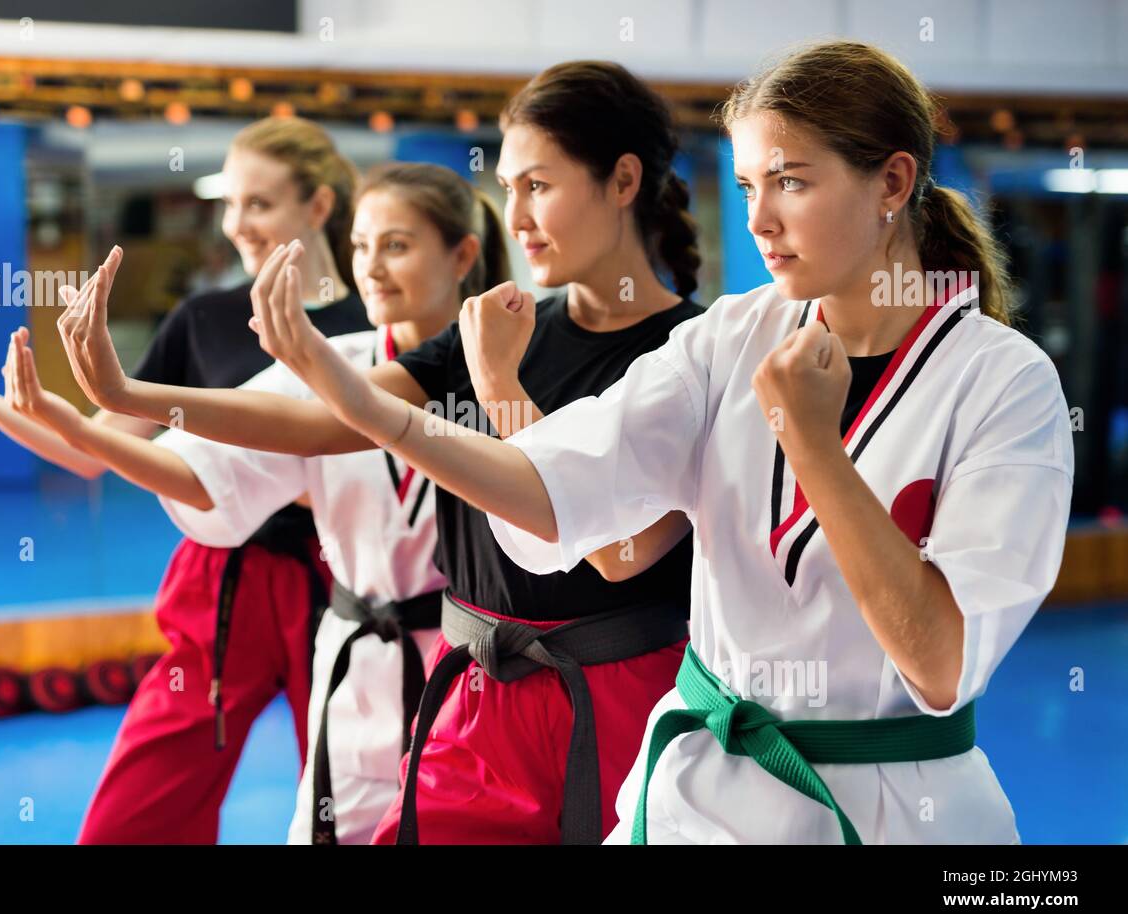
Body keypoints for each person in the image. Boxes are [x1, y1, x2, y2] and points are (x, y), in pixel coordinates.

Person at [262, 41, 1071, 844]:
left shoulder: (1004, 384)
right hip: (699, 797)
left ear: (892, 182)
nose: (758, 218)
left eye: (790, 182)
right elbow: (552, 490)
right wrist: (359, 403)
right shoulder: (729, 338)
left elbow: (939, 661)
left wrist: (815, 449)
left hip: (890, 807)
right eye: (750, 185)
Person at [53, 61, 704, 845]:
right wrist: (136, 400)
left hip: (610, 696)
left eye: (540, 185)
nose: (519, 214)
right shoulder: (497, 323)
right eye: (511, 187)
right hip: (471, 697)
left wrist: (498, 385)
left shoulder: (687, 351)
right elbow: (330, 421)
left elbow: (617, 552)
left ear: (623, 179)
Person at [5, 162, 509, 844]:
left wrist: (124, 398)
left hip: (473, 677)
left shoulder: (503, 371)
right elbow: (207, 476)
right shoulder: (333, 361)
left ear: (463, 253)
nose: (372, 268)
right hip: (359, 674)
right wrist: (81, 424)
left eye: (396, 245)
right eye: (360, 246)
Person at [0, 117, 370, 844]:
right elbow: (98, 450)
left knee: (353, 810)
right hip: (221, 583)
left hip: (348, 579)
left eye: (261, 203)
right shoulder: (208, 318)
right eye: (231, 203)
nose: (238, 224)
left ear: (318, 206)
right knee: (133, 817)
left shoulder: (369, 322)